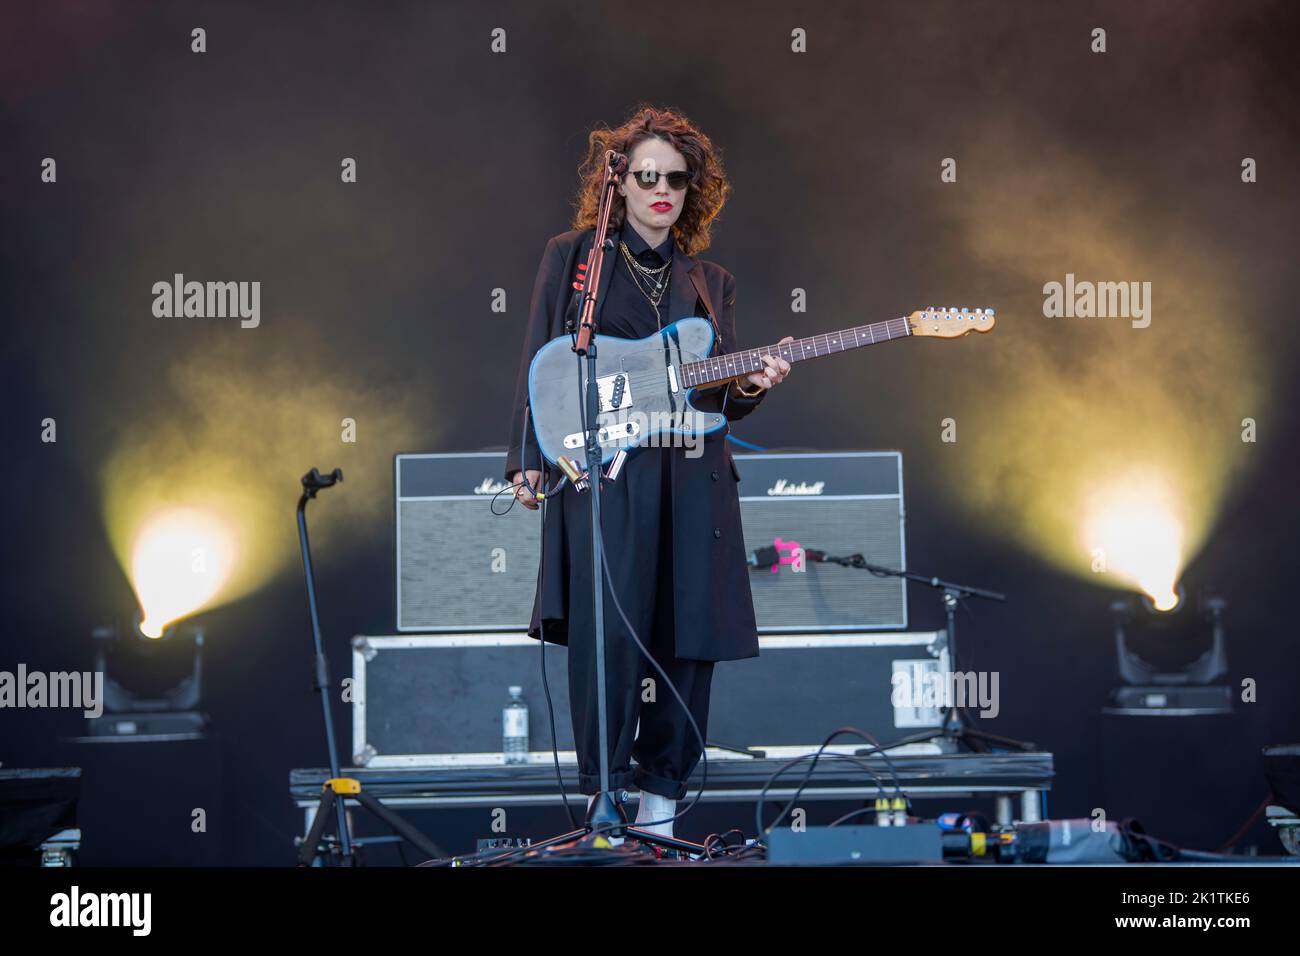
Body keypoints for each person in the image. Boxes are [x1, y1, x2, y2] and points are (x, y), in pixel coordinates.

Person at [504, 105, 791, 839]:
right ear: (619, 183)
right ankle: (605, 803)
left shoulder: (709, 281)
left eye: (676, 179)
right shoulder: (573, 258)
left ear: (693, 190)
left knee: (689, 631)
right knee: (608, 636)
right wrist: (527, 459)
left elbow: (719, 395)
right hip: (608, 477)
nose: (662, 189)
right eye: (647, 176)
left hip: (694, 478)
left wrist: (752, 383)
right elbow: (540, 358)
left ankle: (659, 811)